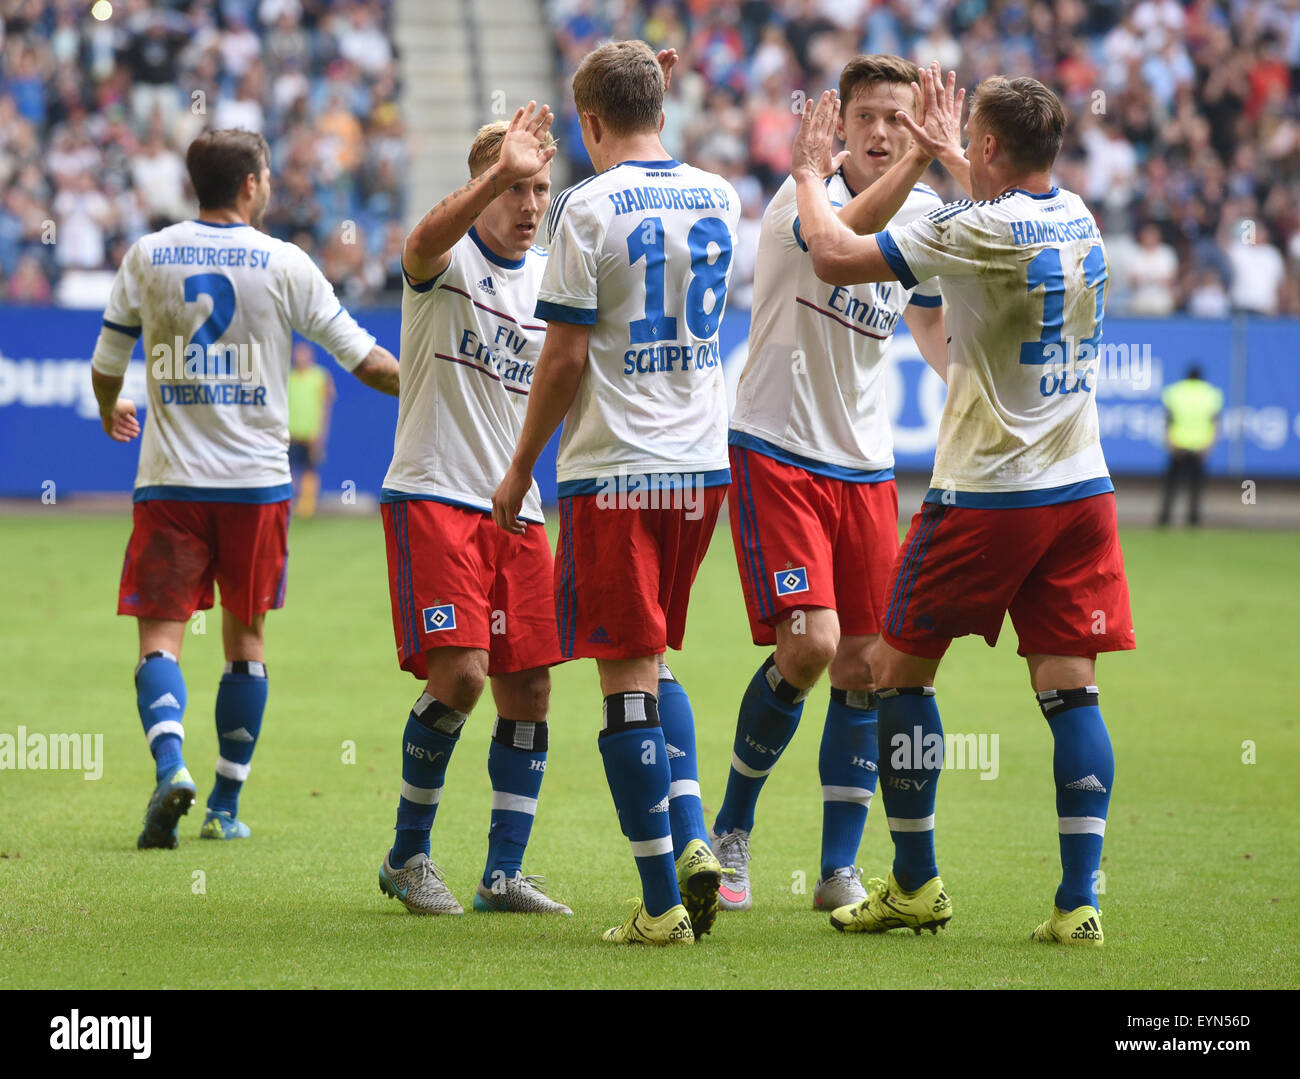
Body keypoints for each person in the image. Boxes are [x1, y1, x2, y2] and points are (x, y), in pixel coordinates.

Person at [791, 78, 1134, 945]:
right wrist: (950, 153)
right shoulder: (1082, 216)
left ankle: (913, 881)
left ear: (987, 148)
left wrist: (804, 173)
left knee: (896, 673)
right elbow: (1001, 208)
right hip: (1082, 491)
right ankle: (1079, 899)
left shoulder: (973, 229)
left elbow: (831, 254)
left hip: (987, 494)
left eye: (969, 139)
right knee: (1072, 688)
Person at [492, 41, 740, 945]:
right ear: (663, 108)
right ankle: (698, 839)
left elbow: (562, 358)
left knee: (623, 676)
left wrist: (520, 469)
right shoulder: (721, 194)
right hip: (701, 468)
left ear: (588, 123)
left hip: (615, 468)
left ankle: (660, 903)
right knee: (657, 654)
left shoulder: (583, 207)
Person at [90, 129, 400, 850]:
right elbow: (365, 361)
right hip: (257, 486)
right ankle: (224, 807)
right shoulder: (285, 262)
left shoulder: (149, 254)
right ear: (253, 185)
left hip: (170, 481)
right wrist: (444, 384)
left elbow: (108, 362)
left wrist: (111, 410)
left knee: (160, 638)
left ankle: (171, 765)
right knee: (247, 640)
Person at [710, 58, 968, 914]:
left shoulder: (925, 210)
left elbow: (926, 308)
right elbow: (845, 246)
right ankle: (732, 830)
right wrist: (924, 160)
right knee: (811, 646)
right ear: (843, 123)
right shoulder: (802, 196)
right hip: (776, 447)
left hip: (862, 461)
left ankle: (838, 869)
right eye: (868, 115)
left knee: (867, 662)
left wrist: (957, 372)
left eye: (900, 115)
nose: (885, 130)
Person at [375, 105, 572, 917]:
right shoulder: (445, 261)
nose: (530, 205)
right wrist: (491, 172)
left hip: (518, 510)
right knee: (461, 674)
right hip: (434, 492)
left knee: (528, 692)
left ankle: (503, 871)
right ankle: (407, 855)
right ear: (483, 188)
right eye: (515, 188)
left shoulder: (558, 280)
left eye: (540, 189)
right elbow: (415, 244)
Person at [1157, 364, 1223, 527]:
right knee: (1196, 487)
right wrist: (1209, 447)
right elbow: (1215, 424)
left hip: (1178, 445)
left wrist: (1170, 443)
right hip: (1200, 446)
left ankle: (1164, 519)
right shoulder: (1211, 394)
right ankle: (1193, 520)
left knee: (1171, 486)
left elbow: (1167, 421)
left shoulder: (1175, 392)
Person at [287, 340, 335, 519]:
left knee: (309, 470)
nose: (300, 358)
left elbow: (326, 404)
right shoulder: (288, 377)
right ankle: (288, 505)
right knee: (289, 470)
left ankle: (306, 510)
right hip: (291, 432)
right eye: (297, 354)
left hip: (311, 434)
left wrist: (321, 434)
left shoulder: (320, 376)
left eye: (303, 354)